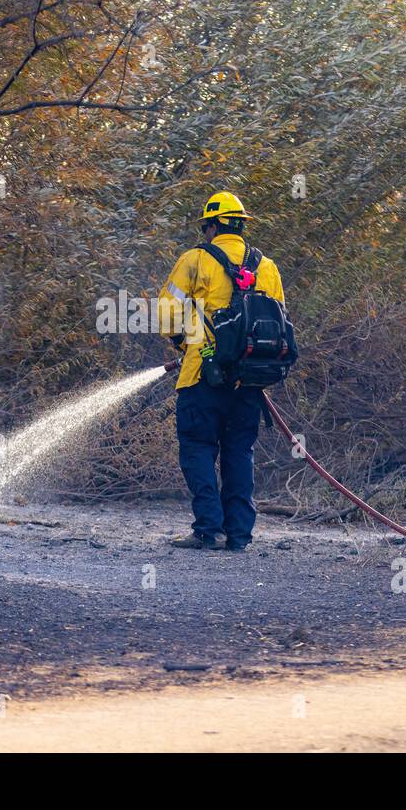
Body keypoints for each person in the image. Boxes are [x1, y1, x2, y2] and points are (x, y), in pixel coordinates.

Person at [158, 191, 287, 552]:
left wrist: (189, 345)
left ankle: (207, 530)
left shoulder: (195, 260)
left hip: (202, 376)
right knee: (238, 451)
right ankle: (239, 536)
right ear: (242, 226)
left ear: (212, 226)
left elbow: (168, 314)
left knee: (198, 448)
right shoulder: (268, 267)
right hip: (249, 381)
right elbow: (277, 324)